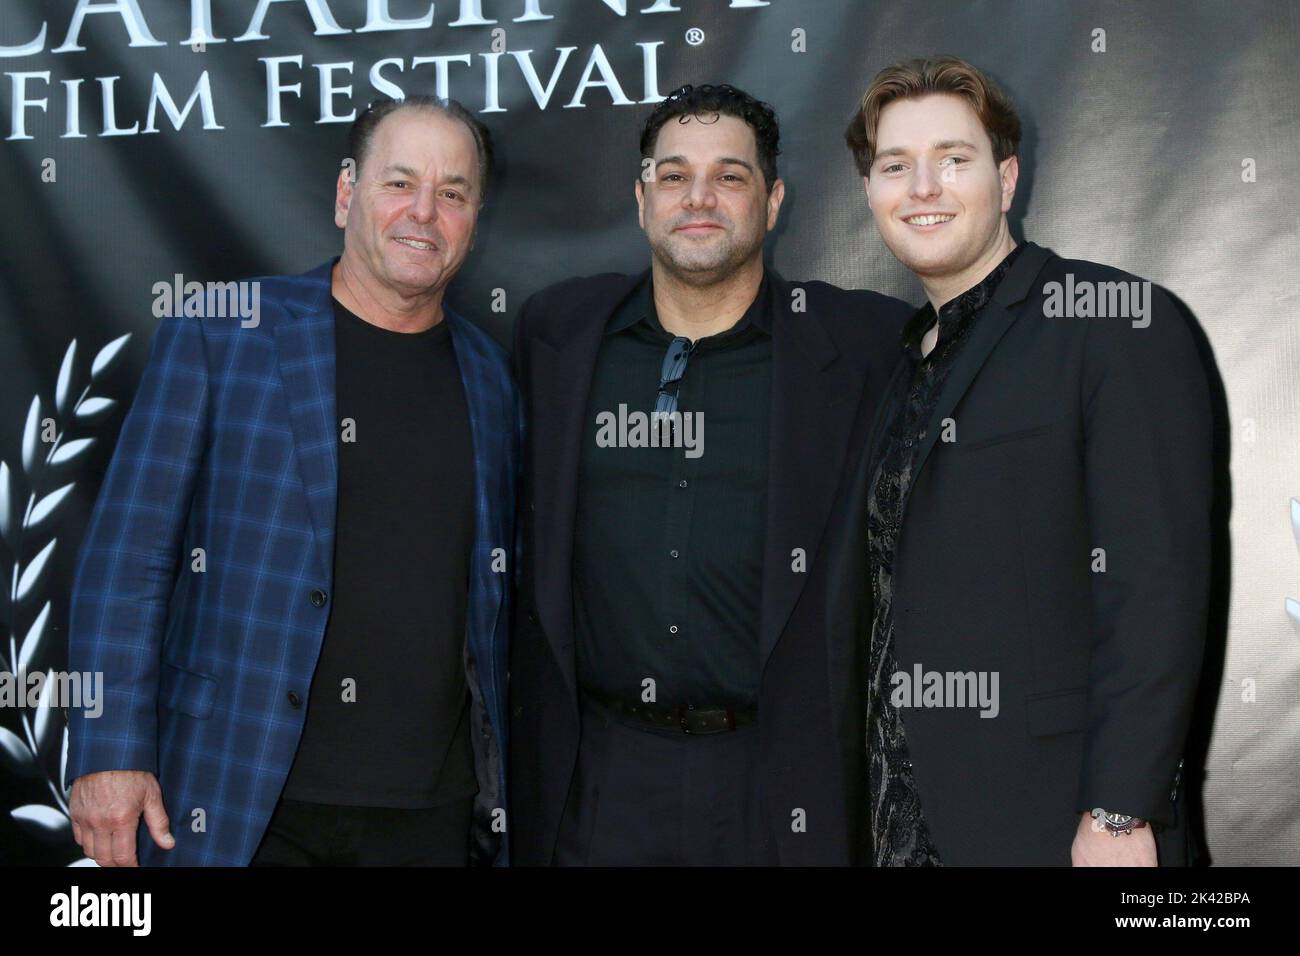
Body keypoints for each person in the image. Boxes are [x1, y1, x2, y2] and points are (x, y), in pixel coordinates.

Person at [65, 95, 519, 867]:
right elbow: (127, 557)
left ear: (474, 219)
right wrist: (109, 750)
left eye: (452, 193)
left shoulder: (490, 374)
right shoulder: (224, 332)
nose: (423, 212)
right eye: (398, 183)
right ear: (347, 194)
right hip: (242, 800)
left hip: (432, 813)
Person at [509, 84, 912, 865]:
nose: (699, 197)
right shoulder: (556, 336)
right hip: (597, 782)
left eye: (730, 176)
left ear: (773, 200)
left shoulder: (862, 347)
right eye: (673, 175)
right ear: (640, 198)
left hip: (779, 783)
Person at [837, 55, 1212, 865]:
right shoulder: (901, 364)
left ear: (1007, 179)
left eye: (954, 159)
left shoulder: (1115, 324)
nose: (923, 187)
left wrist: (1120, 812)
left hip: (1053, 823)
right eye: (895, 166)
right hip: (899, 823)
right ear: (871, 193)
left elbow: (1156, 589)